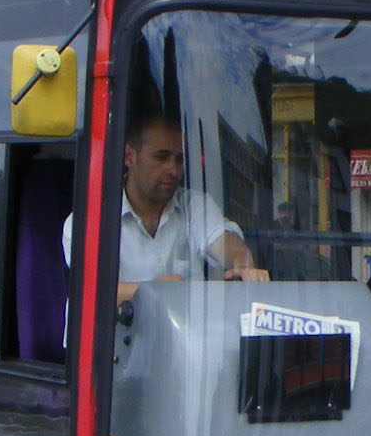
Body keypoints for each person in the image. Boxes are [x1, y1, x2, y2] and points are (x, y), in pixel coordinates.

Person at [113, 114, 267, 305]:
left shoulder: (192, 205)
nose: (173, 169)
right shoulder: (94, 218)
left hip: (191, 335)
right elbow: (90, 295)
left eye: (179, 159)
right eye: (161, 157)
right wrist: (153, 291)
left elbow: (221, 238)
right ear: (130, 156)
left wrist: (242, 264)